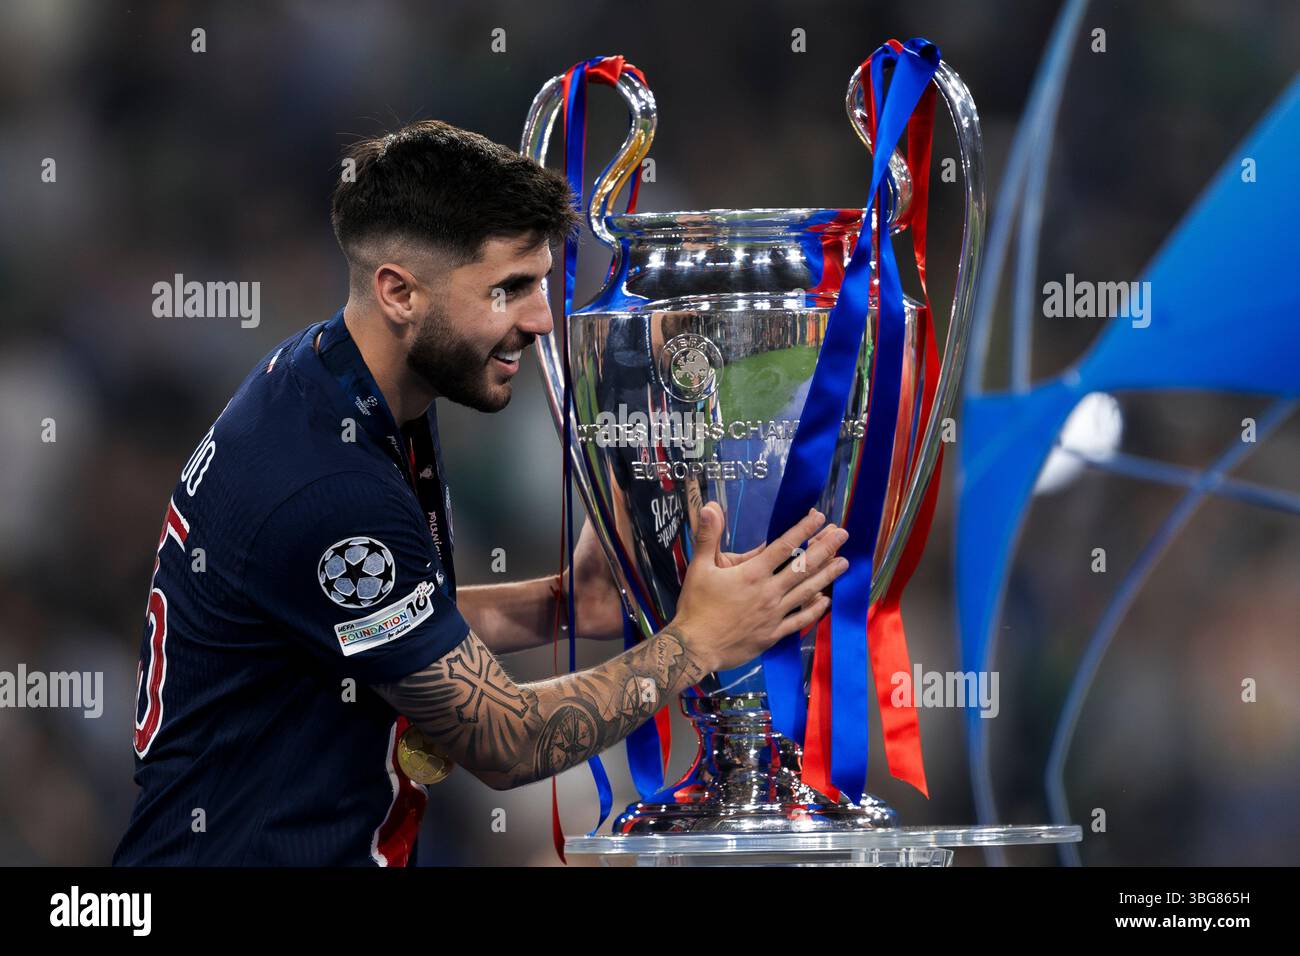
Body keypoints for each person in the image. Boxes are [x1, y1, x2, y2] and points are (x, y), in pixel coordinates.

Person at [113, 119, 849, 866]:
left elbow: (370, 623)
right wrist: (696, 642)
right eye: (508, 289)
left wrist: (564, 604)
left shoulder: (333, 381)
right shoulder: (328, 489)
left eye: (540, 282)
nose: (537, 319)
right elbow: (507, 742)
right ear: (399, 292)